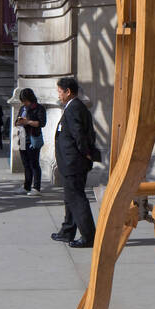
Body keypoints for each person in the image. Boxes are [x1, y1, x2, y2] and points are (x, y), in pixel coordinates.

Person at [51, 77, 96, 247]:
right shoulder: (73, 107)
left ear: (68, 92)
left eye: (59, 92)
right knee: (70, 197)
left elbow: (79, 135)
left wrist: (86, 153)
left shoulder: (74, 108)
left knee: (77, 198)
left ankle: (89, 236)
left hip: (73, 163)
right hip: (71, 162)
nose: (59, 95)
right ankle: (67, 230)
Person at [15, 88, 46, 194]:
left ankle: (36, 187)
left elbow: (42, 123)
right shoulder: (22, 108)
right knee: (26, 164)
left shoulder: (39, 108)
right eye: (23, 101)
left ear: (30, 98)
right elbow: (16, 122)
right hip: (23, 138)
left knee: (34, 164)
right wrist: (19, 122)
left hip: (33, 138)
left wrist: (27, 122)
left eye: (25, 100)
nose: (24, 103)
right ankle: (26, 186)